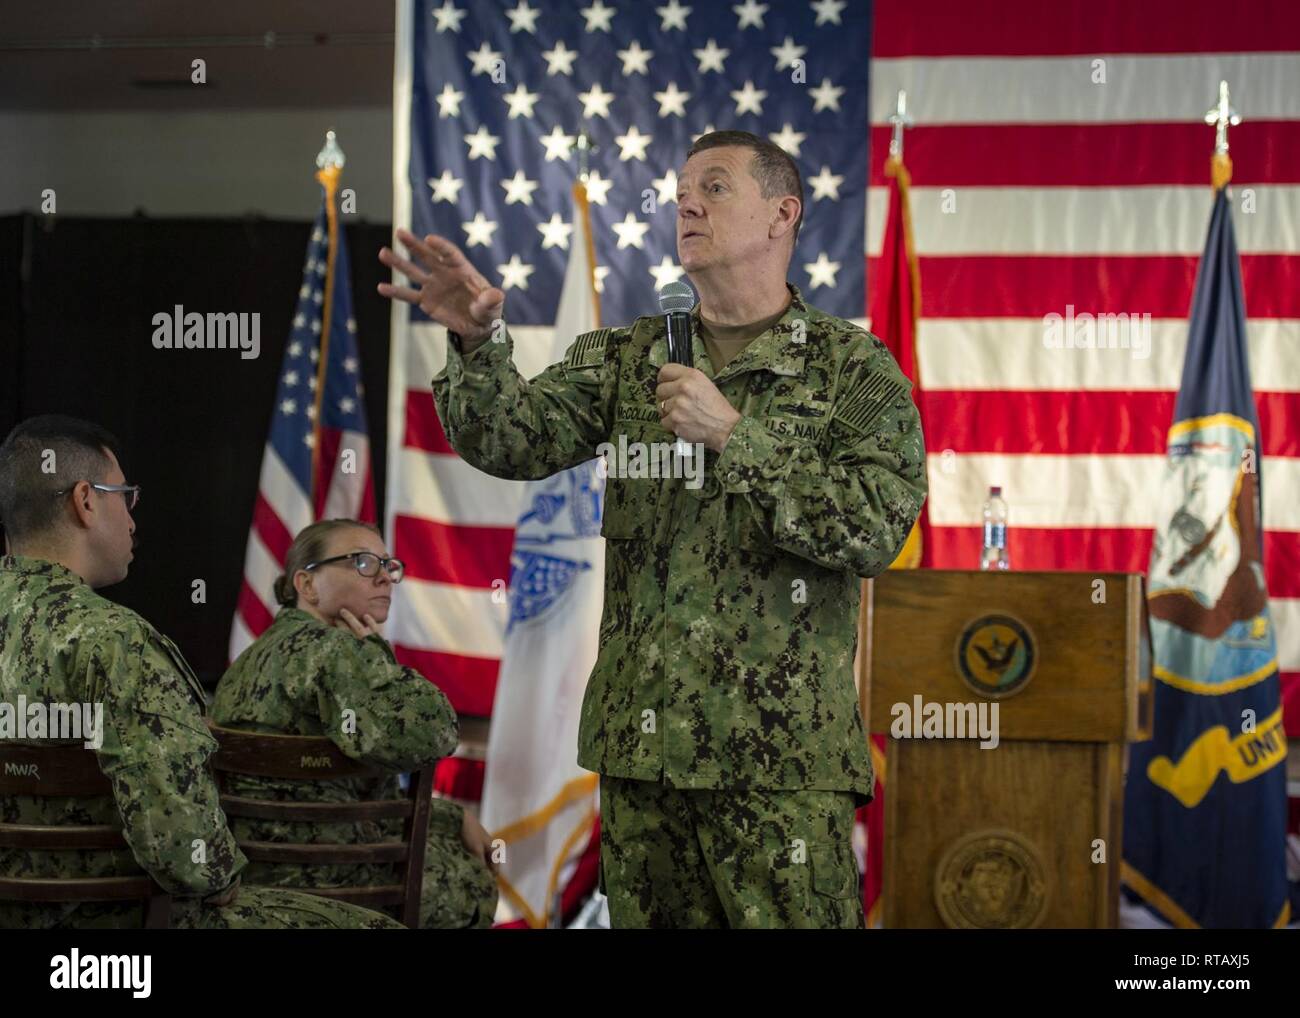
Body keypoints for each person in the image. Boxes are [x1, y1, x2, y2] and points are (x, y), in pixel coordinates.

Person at [378, 129, 927, 928]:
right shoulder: (629, 358)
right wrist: (476, 341)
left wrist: (736, 437)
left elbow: (877, 526)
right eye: (680, 194)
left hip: (778, 770)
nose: (687, 205)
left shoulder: (853, 370)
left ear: (783, 213)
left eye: (714, 186)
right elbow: (509, 440)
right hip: (646, 759)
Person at [0, 415, 401, 929]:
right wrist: (223, 878)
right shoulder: (114, 641)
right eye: (126, 497)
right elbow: (184, 852)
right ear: (86, 500)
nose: (132, 521)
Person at [211, 519, 499, 929]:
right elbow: (435, 733)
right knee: (471, 879)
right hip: (341, 880)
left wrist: (451, 816)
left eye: (388, 564)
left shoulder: (248, 661)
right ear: (307, 585)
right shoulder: (340, 654)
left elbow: (335, 791)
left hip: (253, 878)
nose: (385, 576)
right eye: (362, 563)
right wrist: (376, 651)